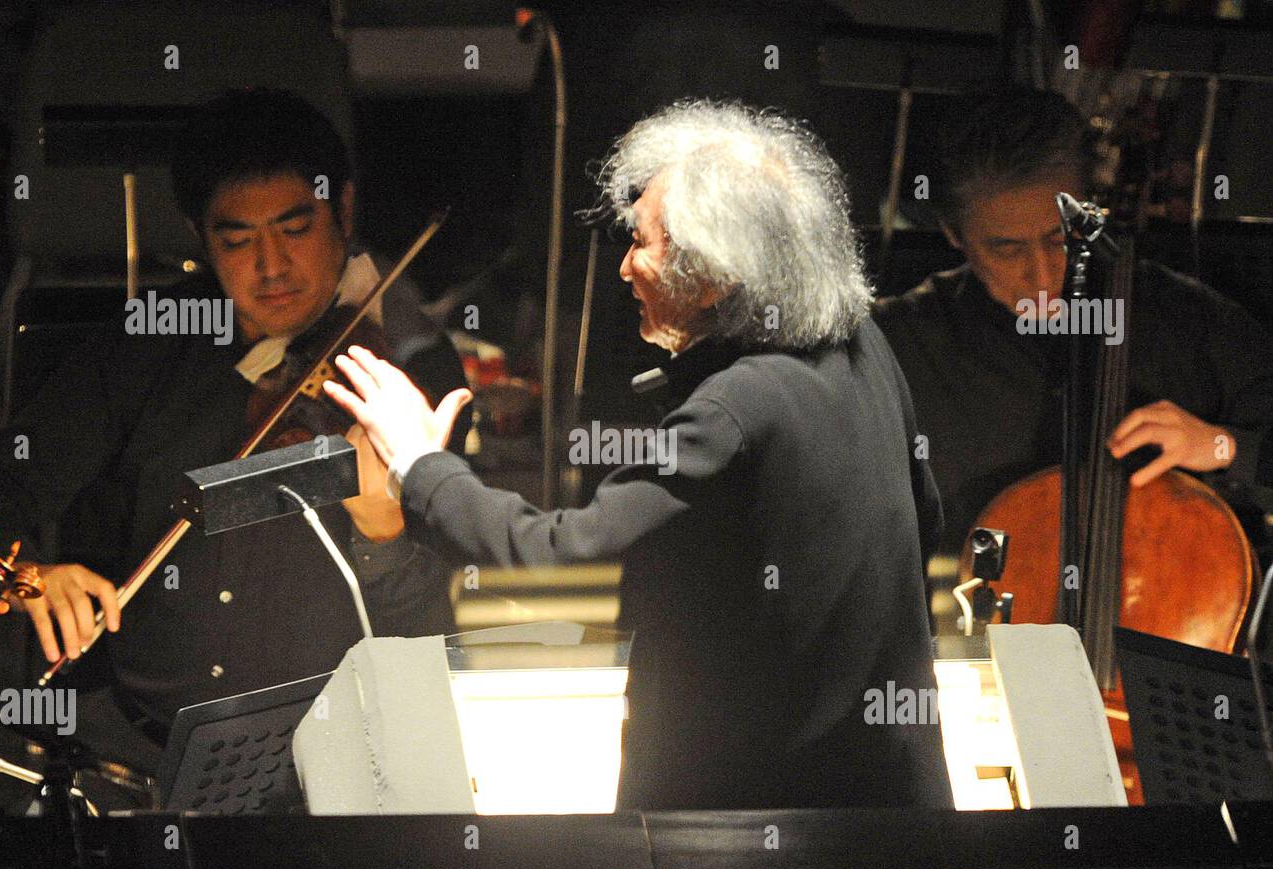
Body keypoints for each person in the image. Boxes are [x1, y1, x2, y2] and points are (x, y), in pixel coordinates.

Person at [325, 100, 954, 811]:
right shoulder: (865, 345)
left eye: (644, 244)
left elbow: (563, 559)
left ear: (718, 272)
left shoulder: (735, 412)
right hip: (895, 805)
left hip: (759, 830)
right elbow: (923, 522)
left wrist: (419, 465)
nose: (624, 267)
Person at [0, 90, 469, 779]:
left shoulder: (411, 370)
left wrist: (382, 530)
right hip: (135, 749)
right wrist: (32, 574)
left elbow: (430, 633)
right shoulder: (152, 337)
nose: (271, 268)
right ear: (198, 238)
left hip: (327, 770)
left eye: (296, 229)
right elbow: (4, 482)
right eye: (237, 241)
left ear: (344, 210)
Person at [872, 86, 1273, 606]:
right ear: (953, 233)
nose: (1042, 276)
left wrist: (1225, 446)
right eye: (1007, 249)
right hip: (972, 663)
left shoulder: (1191, 322)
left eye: (1062, 239)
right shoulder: (900, 342)